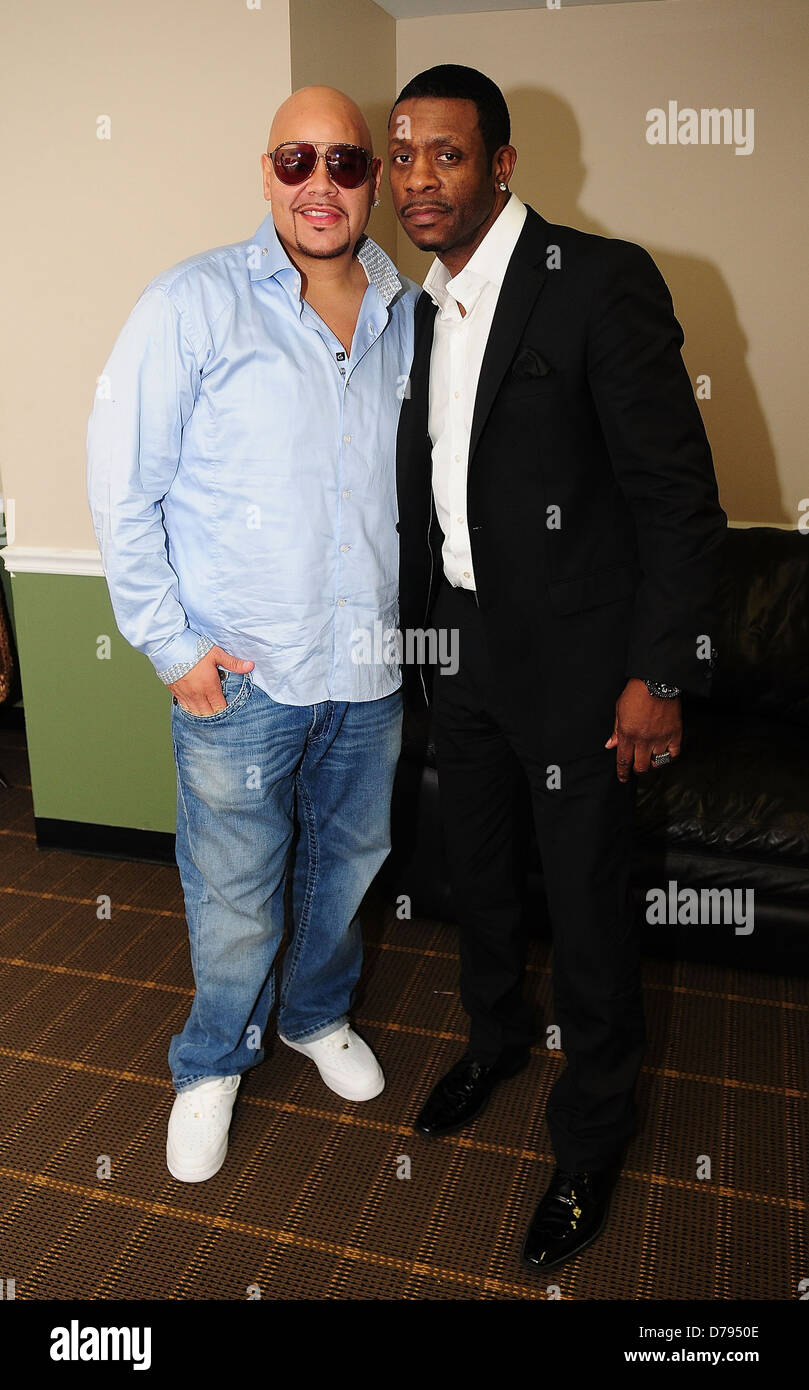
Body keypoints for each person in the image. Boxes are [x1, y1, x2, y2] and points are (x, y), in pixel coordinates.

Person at [390, 64, 726, 1271]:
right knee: (475, 869)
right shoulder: (423, 308)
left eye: (447, 153)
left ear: (501, 166)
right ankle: (491, 1040)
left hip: (584, 670)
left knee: (586, 908)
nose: (417, 176)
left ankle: (589, 1136)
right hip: (463, 650)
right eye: (403, 153)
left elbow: (677, 500)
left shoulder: (595, 282)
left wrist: (661, 672)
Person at [87, 85, 419, 1183]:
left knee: (346, 866)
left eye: (344, 161)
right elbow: (121, 487)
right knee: (234, 888)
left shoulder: (407, 313)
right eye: (294, 161)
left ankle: (313, 1015)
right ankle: (211, 1059)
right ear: (266, 172)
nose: (319, 183)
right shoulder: (192, 303)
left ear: (372, 176)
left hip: (368, 668)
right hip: (239, 674)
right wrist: (168, 646)